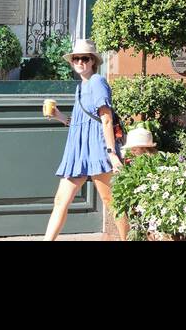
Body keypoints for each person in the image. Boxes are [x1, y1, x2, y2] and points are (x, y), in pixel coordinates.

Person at [42, 39, 127, 241]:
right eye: (76, 58)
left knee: (110, 200)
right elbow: (80, 124)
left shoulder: (97, 82)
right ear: (72, 62)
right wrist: (58, 116)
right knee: (60, 200)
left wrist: (111, 153)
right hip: (79, 150)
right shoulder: (81, 87)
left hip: (99, 148)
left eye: (84, 58)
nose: (80, 61)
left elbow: (106, 119)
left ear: (92, 62)